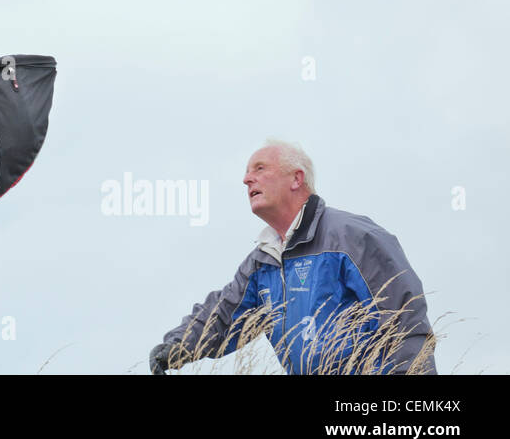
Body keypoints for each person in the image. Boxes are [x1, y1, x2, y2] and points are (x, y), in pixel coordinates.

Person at [149, 139, 436, 375]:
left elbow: (404, 323)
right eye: (248, 173)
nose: (247, 179)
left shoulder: (352, 238)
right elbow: (225, 317)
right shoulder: (263, 263)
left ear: (296, 178)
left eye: (260, 168)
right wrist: (177, 346)